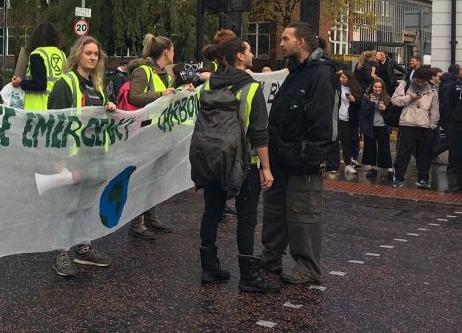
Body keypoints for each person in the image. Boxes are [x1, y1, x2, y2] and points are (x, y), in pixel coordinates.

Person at [194, 37, 279, 293]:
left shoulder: (209, 84)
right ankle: (248, 276)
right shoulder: (251, 88)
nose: (252, 54)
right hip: (244, 161)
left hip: (213, 157)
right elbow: (259, 133)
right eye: (249, 51)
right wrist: (266, 168)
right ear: (240, 56)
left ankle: (209, 268)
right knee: (247, 217)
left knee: (212, 211)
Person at [261, 22, 338, 285]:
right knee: (275, 212)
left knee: (304, 214)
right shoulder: (297, 71)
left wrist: (311, 157)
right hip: (282, 155)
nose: (281, 43)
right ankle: (270, 258)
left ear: (301, 42)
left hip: (302, 159)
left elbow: (322, 120)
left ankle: (307, 266)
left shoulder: (321, 73)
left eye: (286, 39)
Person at [46, 36, 117, 277]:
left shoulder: (97, 86)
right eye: (88, 53)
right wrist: (59, 159)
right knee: (68, 206)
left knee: (86, 205)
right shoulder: (65, 83)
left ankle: (83, 248)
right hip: (73, 156)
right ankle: (61, 253)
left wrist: (108, 108)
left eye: (96, 54)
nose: (93, 57)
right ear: (78, 54)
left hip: (94, 155)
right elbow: (55, 121)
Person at [126, 34, 181, 240]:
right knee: (143, 177)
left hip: (158, 133)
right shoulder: (144, 71)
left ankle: (151, 217)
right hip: (144, 133)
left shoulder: (163, 73)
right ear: (167, 51)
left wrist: (181, 92)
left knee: (155, 176)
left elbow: (167, 97)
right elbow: (134, 96)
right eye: (173, 50)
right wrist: (161, 95)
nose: (174, 53)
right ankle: (136, 223)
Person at [390, 65, 439, 189]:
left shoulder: (432, 91)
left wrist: (431, 126)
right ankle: (398, 178)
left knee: (424, 155)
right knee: (403, 153)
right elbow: (394, 100)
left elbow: (434, 111)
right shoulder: (405, 85)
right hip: (407, 124)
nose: (419, 83)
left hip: (424, 127)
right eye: (417, 80)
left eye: (422, 81)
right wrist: (409, 98)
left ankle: (423, 179)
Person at [12, 22, 66, 111]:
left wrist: (20, 83)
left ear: (36, 37)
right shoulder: (61, 54)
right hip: (56, 105)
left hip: (39, 108)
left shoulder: (37, 54)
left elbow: (39, 84)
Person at [330, 70, 363, 176]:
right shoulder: (337, 86)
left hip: (349, 118)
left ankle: (348, 165)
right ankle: (333, 165)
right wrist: (338, 72)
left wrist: (354, 100)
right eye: (341, 77)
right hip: (337, 117)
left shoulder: (355, 88)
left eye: (344, 78)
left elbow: (360, 102)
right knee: (334, 141)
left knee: (347, 142)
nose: (341, 79)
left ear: (349, 79)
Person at [360, 78, 394, 180]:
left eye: (380, 87)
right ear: (372, 87)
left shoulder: (387, 98)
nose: (377, 89)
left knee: (385, 148)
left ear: (383, 88)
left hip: (383, 126)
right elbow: (364, 113)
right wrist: (371, 104)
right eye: (375, 87)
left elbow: (391, 114)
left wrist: (384, 109)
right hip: (370, 127)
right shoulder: (367, 97)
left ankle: (389, 169)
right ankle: (373, 168)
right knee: (370, 148)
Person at [440, 65, 462, 192]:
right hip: (456, 124)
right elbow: (450, 103)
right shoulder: (456, 85)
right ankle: (459, 182)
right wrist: (452, 119)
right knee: (457, 154)